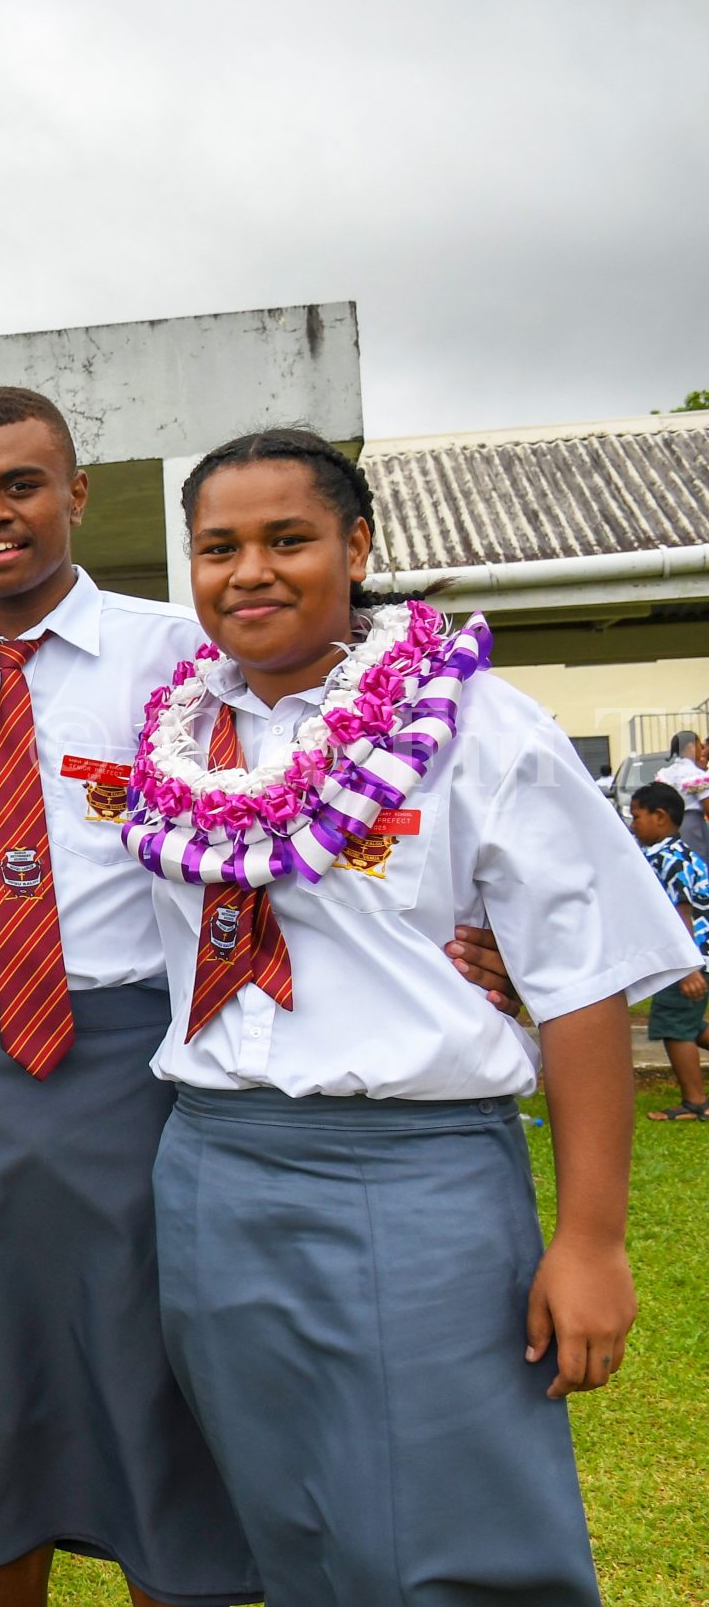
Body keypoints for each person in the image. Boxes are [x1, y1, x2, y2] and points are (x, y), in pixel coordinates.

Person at [0, 387, 520, 1607]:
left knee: (157, 1365)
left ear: (76, 494)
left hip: (141, 1048)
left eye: (20, 484)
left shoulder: (184, 660)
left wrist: (467, 928)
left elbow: (324, 800)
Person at [138, 429, 697, 1604]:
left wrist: (589, 1240)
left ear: (356, 544)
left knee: (457, 1536)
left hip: (408, 1171)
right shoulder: (173, 739)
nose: (249, 572)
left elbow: (581, 987)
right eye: (217, 547)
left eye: (286, 539)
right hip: (213, 1171)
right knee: (282, 1517)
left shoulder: (478, 726)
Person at [630, 779, 709, 1121]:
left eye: (637, 817)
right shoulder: (683, 851)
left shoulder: (665, 858)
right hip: (698, 954)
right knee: (689, 1023)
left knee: (674, 1025)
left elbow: (683, 910)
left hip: (689, 956)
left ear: (660, 816)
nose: (633, 825)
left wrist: (687, 967)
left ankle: (696, 1103)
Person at [664, 729, 709, 857]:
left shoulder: (666, 773)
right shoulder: (694, 774)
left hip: (671, 824)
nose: (702, 750)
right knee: (698, 859)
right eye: (700, 746)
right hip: (692, 824)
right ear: (691, 746)